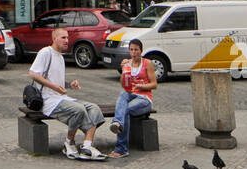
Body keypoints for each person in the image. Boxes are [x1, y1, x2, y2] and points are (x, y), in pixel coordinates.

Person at [28, 28, 106, 160]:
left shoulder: (60, 57)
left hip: (61, 98)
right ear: (54, 38)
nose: (67, 40)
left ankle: (87, 146)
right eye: (63, 38)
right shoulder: (46, 52)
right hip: (48, 101)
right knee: (79, 110)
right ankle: (69, 143)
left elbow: (57, 81)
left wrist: (69, 84)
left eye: (67, 38)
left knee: (94, 108)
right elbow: (33, 74)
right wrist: (54, 87)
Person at [108, 38, 156, 159]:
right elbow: (123, 84)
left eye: (136, 50)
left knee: (125, 110)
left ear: (141, 51)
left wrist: (140, 86)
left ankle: (121, 148)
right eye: (131, 50)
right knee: (123, 93)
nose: (134, 53)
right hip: (130, 94)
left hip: (144, 99)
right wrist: (124, 72)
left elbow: (154, 84)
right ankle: (118, 123)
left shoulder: (147, 63)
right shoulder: (127, 63)